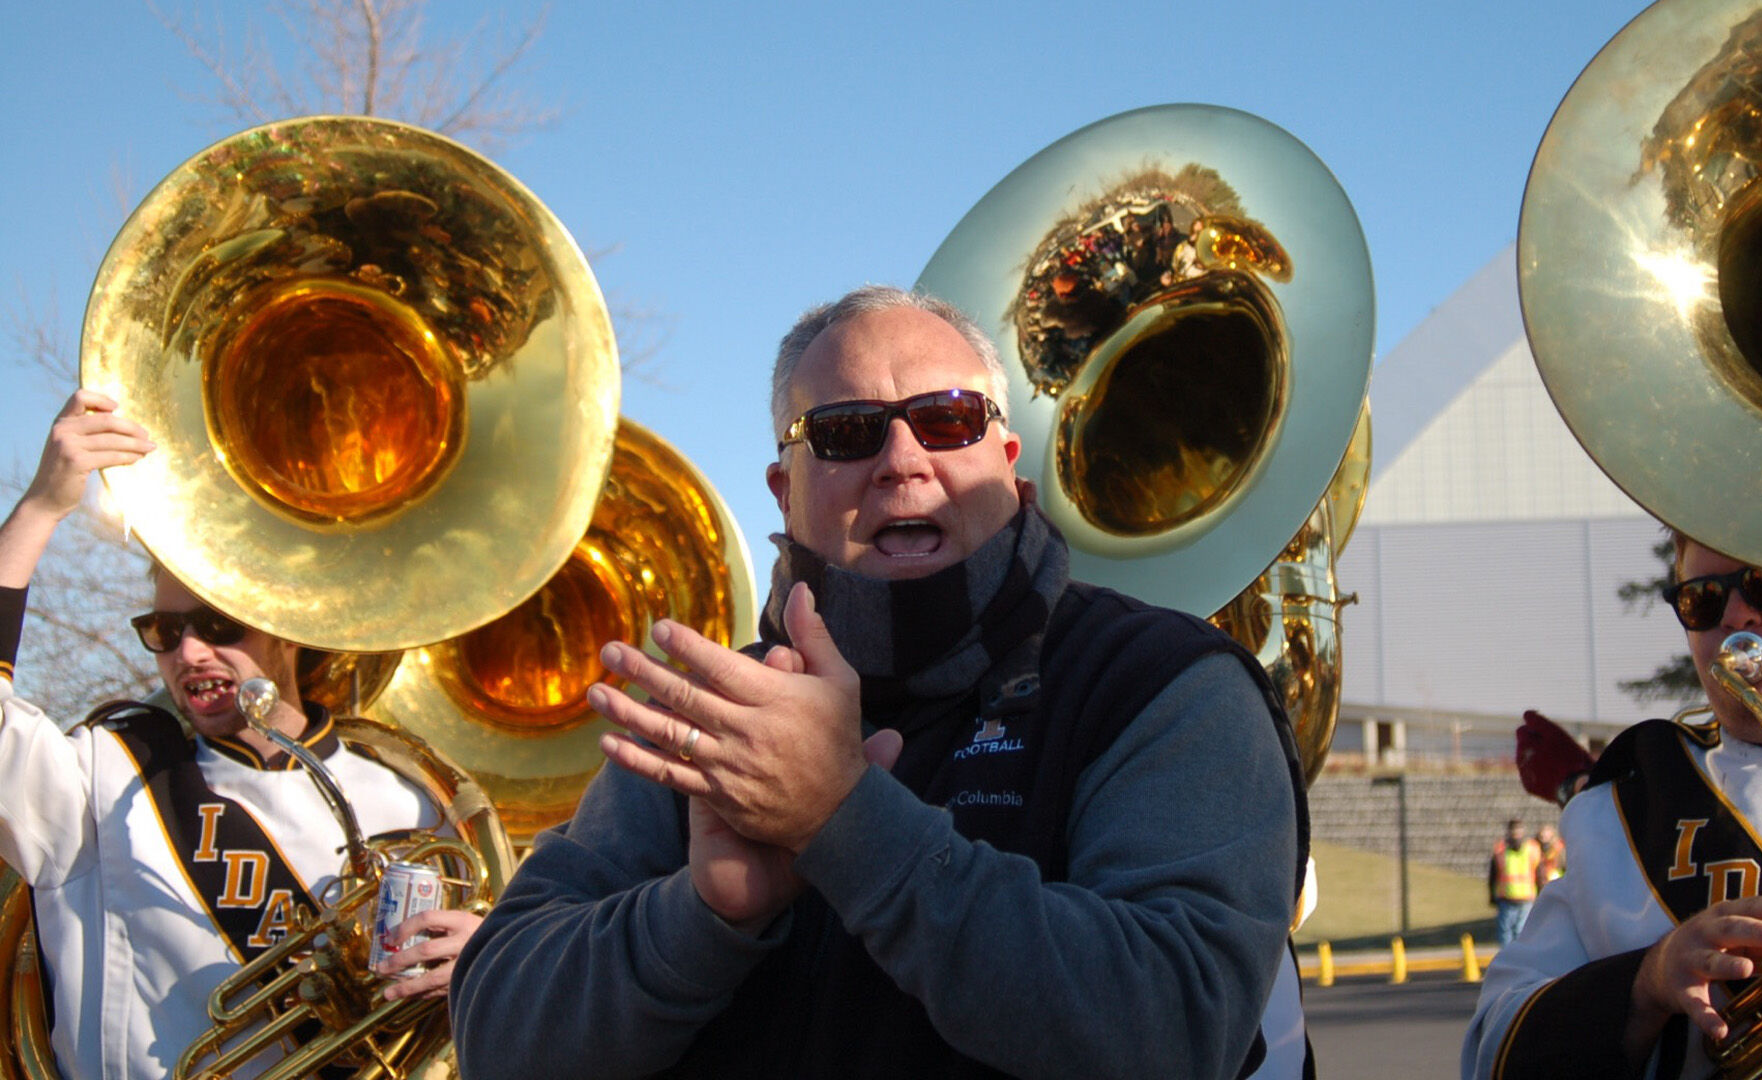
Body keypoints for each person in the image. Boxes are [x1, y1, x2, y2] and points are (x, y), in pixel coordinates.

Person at [450, 285, 1312, 1079]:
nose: (903, 460)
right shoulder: (713, 718)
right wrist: (704, 913)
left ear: (1008, 460)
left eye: (948, 419)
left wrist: (844, 820)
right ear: (784, 492)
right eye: (847, 431)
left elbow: (1173, 1028)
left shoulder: (1161, 682)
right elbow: (496, 1035)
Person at [0, 389, 479, 1080]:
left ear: (288, 627)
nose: (190, 653)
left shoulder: (411, 803)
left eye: (220, 626)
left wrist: (486, 964)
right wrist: (40, 509)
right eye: (164, 631)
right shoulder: (102, 776)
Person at [1463, 533, 1762, 1080]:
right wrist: (1648, 980)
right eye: (1703, 599)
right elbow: (1491, 1048)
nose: (1735, 616)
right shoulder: (1623, 810)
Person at [1488, 818, 1541, 945]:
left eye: (1518, 830)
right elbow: (1493, 874)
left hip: (1526, 897)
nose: (1516, 834)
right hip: (1507, 897)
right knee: (1506, 934)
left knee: (1520, 932)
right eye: (1514, 831)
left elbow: (1539, 872)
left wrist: (1541, 892)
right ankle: (1509, 956)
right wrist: (1492, 894)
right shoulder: (1500, 850)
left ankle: (1518, 956)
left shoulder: (1531, 849)